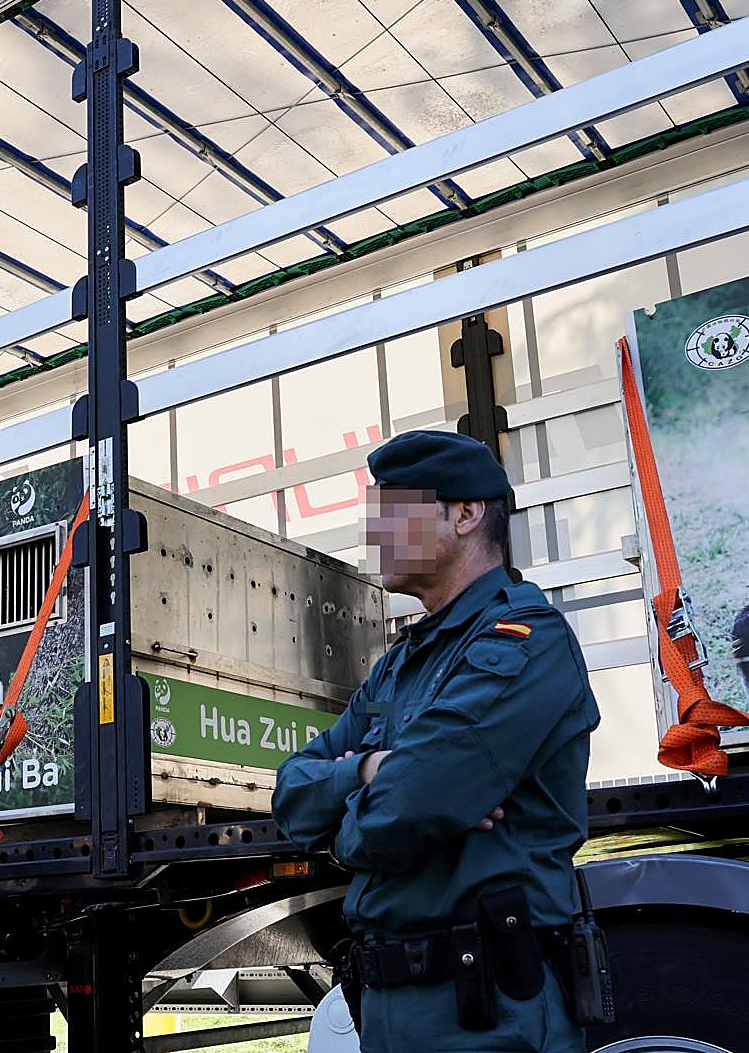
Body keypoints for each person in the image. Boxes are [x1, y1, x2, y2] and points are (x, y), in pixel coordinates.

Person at [273, 430, 599, 1052]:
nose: (374, 533)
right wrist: (367, 770)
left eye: (391, 512)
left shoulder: (526, 640)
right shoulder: (400, 666)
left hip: (485, 1015)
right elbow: (290, 795)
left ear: (465, 514)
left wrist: (348, 826)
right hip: (389, 1008)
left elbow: (409, 806)